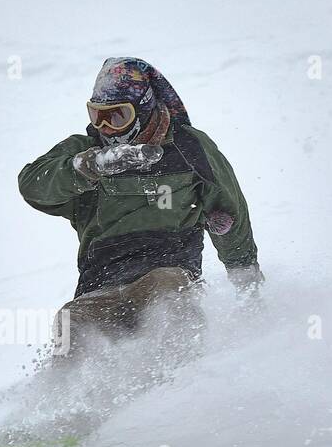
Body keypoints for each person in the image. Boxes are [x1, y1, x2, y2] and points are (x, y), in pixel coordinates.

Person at [18, 57, 262, 357]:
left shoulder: (188, 148)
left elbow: (229, 209)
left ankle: (181, 381)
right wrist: (89, 166)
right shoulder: (86, 150)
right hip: (102, 280)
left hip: (168, 266)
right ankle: (63, 398)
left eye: (117, 116)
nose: (106, 127)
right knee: (73, 323)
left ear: (144, 108)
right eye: (98, 116)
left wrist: (245, 274)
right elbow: (33, 185)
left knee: (165, 294)